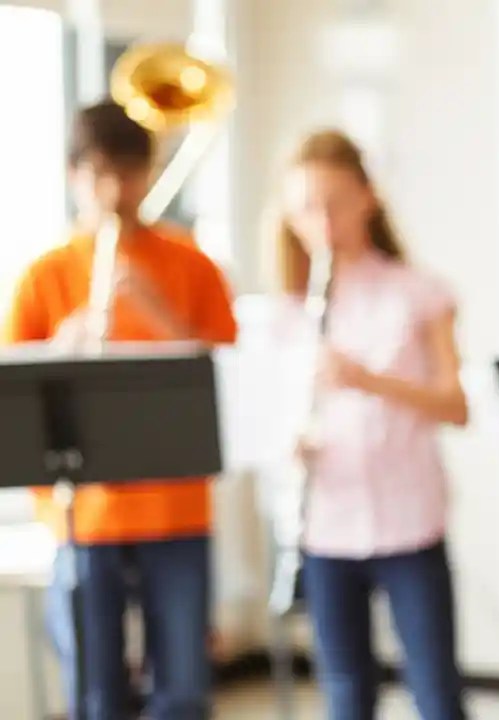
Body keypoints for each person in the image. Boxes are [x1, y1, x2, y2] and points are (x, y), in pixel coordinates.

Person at [2, 100, 238, 719]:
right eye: (100, 173)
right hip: (86, 515)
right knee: (95, 689)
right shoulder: (44, 276)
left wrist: (160, 316)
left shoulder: (191, 264)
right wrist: (62, 348)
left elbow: (231, 380)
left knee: (184, 687)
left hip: (175, 508)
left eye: (131, 172)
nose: (116, 191)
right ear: (72, 174)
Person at [266, 129, 468, 720]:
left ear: (367, 198)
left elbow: (457, 406)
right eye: (306, 207)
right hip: (324, 528)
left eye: (334, 202)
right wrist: (291, 446)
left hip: (409, 523)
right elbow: (271, 419)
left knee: (435, 691)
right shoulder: (285, 310)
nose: (322, 220)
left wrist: (368, 381)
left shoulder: (418, 292)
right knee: (346, 693)